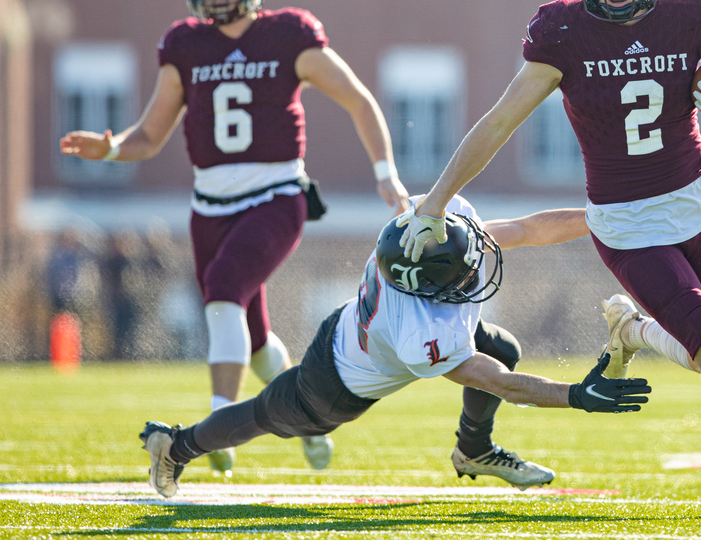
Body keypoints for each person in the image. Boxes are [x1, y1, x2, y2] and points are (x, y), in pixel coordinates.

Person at [398, 0, 701, 516]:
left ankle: (635, 331)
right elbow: (500, 122)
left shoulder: (690, 9)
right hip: (626, 223)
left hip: (699, 204)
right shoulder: (561, 33)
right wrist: (434, 202)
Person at [60, 0, 410, 476]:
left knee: (222, 291)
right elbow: (148, 137)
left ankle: (216, 426)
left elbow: (359, 101)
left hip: (275, 196)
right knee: (250, 340)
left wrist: (384, 173)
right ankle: (312, 421)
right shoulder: (185, 43)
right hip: (209, 209)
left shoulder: (289, 34)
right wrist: (109, 148)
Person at [139, 197, 651, 499]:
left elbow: (523, 229)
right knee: (268, 413)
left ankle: (474, 452)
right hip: (337, 383)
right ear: (432, 285)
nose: (477, 267)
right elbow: (495, 380)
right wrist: (577, 395)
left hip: (352, 326)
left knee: (502, 343)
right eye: (464, 271)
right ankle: (176, 446)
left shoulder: (427, 232)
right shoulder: (420, 330)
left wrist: (602, 217)